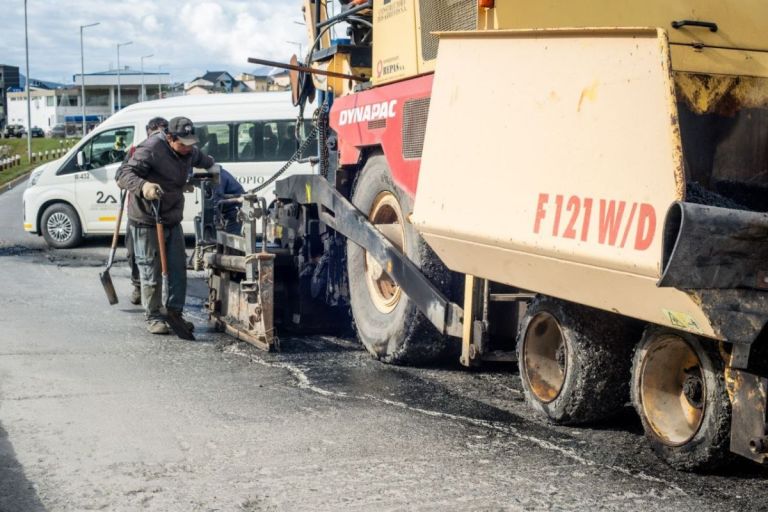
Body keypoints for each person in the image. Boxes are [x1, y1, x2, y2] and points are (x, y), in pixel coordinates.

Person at [116, 116, 217, 335]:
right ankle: (153, 316)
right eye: (183, 144)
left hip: (171, 218)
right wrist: (144, 186)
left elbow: (204, 160)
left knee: (178, 269)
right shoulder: (152, 149)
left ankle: (174, 313)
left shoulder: (188, 150)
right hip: (147, 220)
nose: (188, 149)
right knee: (151, 271)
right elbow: (123, 174)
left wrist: (214, 169)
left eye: (191, 144)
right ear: (170, 138)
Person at [123, 117, 169, 304]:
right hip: (138, 209)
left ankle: (161, 294)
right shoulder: (136, 151)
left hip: (162, 211)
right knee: (133, 252)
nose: (160, 135)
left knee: (160, 255)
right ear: (148, 132)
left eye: (163, 131)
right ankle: (137, 285)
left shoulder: (169, 152)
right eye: (156, 131)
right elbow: (123, 173)